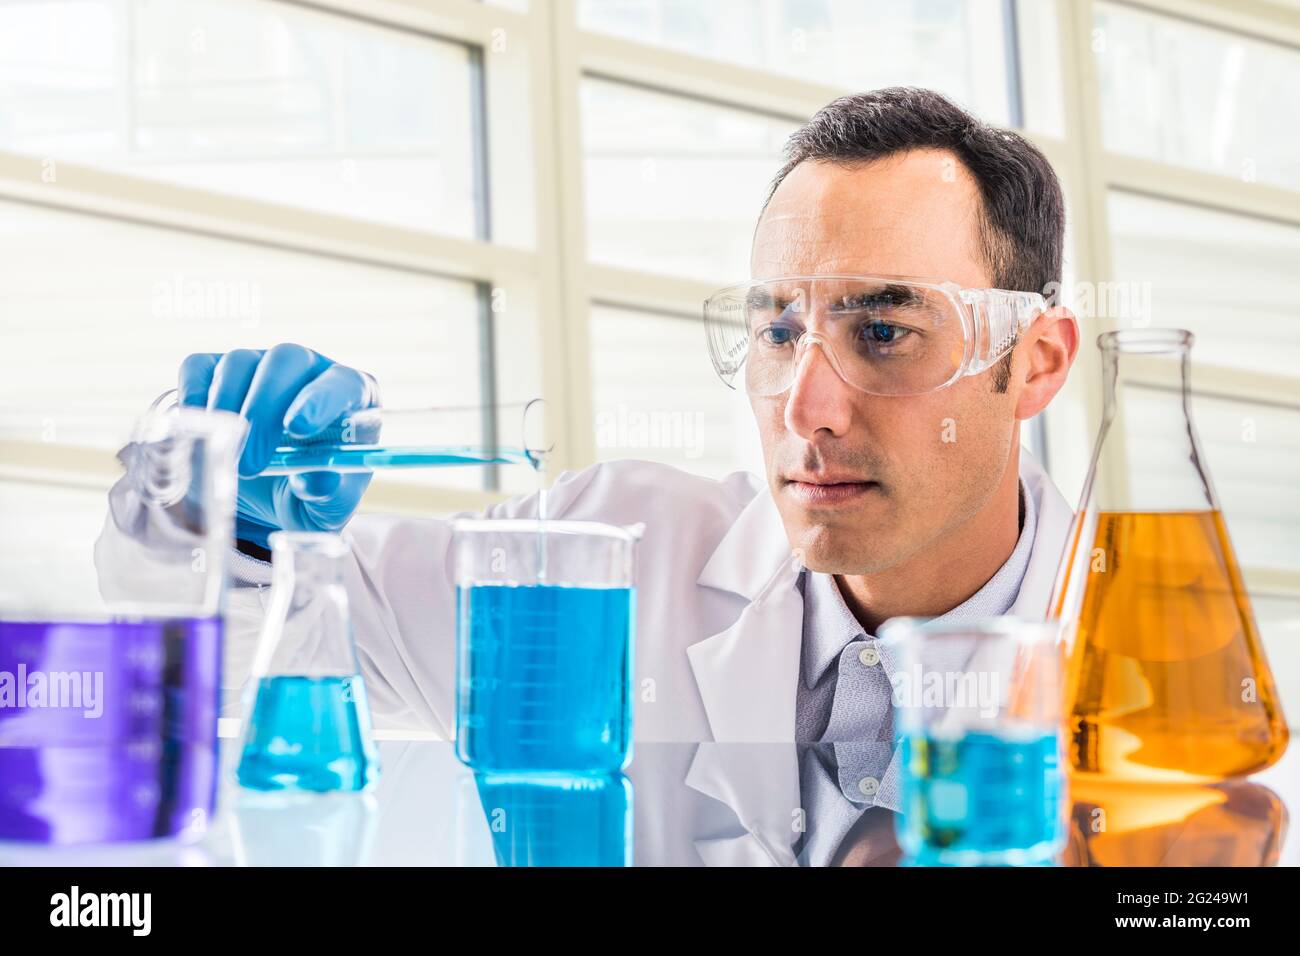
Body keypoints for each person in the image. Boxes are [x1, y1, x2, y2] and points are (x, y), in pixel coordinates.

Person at [97, 88, 1079, 864]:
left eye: (883, 332)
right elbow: (238, 650)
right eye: (779, 329)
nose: (804, 406)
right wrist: (218, 506)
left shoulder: (1159, 671)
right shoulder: (602, 550)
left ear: (1034, 362)